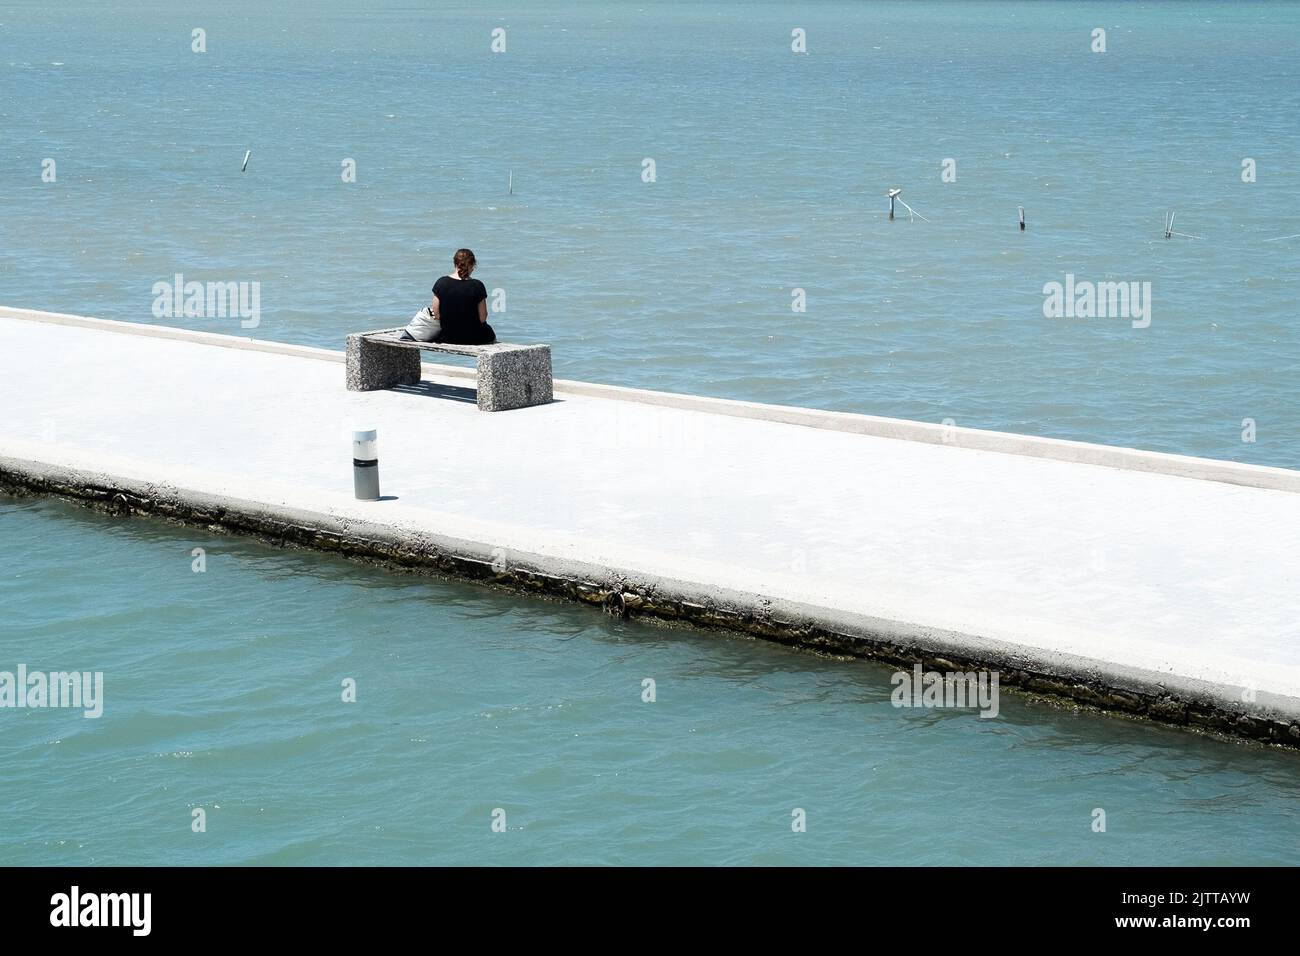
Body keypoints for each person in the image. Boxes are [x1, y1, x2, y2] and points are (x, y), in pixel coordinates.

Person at [403, 248, 495, 345]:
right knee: (489, 332)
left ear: (455, 263)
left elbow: (437, 315)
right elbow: (483, 318)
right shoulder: (478, 286)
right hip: (475, 338)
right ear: (472, 265)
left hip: (448, 337)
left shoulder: (441, 283)